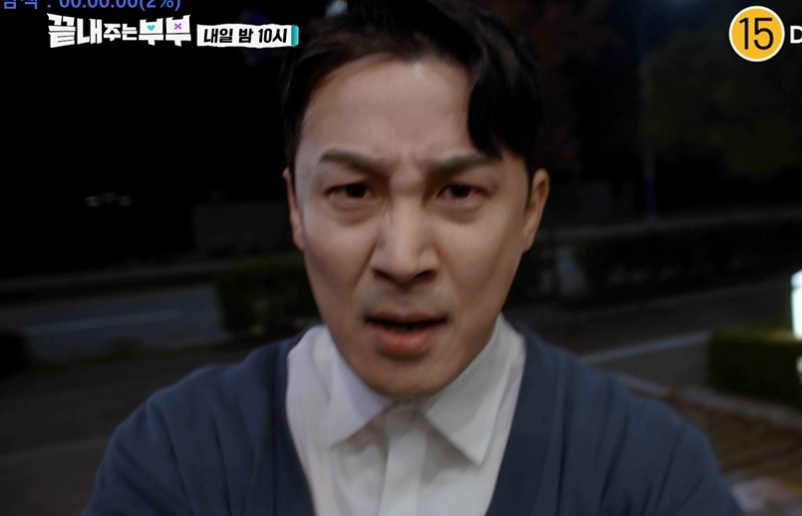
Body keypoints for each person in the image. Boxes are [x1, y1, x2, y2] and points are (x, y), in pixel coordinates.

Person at [84, 1, 742, 514]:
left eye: (459, 191)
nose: (402, 260)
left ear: (530, 211)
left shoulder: (649, 473)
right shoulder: (177, 454)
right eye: (352, 191)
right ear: (295, 208)